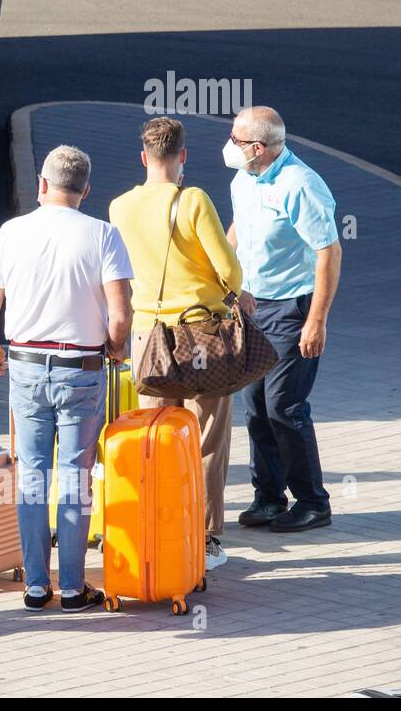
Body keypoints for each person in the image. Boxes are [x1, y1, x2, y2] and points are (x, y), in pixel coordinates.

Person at [0, 145, 133, 613]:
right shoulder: (103, 235)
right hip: (81, 370)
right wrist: (116, 350)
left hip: (23, 367)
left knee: (31, 477)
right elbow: (121, 315)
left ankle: (35, 586)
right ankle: (72, 587)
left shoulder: (12, 232)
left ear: (41, 185)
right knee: (74, 479)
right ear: (85, 190)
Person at [110, 118, 253, 571]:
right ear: (183, 157)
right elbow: (230, 271)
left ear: (143, 157)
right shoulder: (192, 200)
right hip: (201, 334)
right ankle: (207, 538)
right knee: (207, 437)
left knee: (156, 435)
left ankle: (160, 525)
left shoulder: (119, 207)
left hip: (147, 335)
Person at [226, 106, 341, 533]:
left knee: (284, 407)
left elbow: (329, 251)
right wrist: (221, 271)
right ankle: (269, 497)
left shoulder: (300, 185)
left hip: (293, 311)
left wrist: (317, 320)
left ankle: (312, 502)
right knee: (255, 406)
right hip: (253, 309)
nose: (230, 145)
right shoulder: (245, 176)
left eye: (236, 139)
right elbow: (239, 228)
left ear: (259, 147)